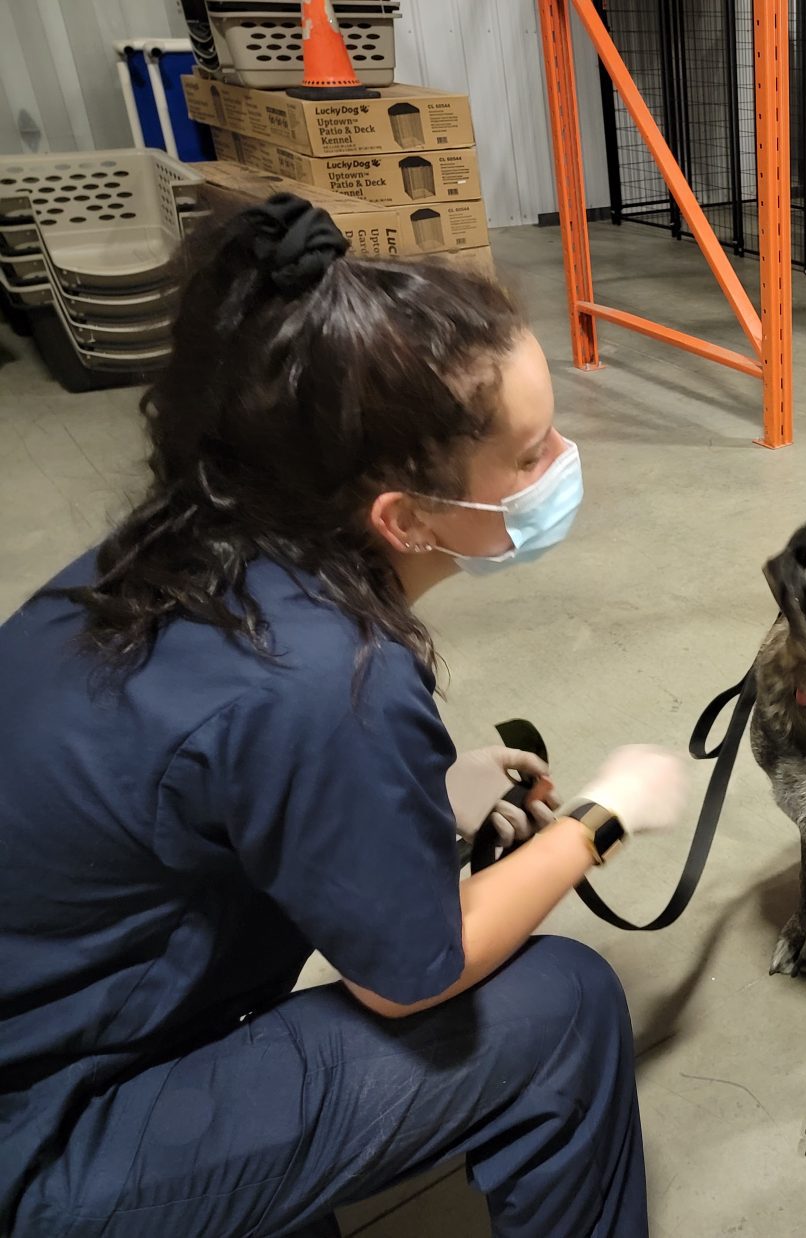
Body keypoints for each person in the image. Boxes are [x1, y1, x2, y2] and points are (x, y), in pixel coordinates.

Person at [0, 196, 687, 1238]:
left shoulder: (185, 545)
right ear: (403, 516)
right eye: (532, 452)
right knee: (561, 1006)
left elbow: (220, 782)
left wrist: (428, 803)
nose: (561, 465)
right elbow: (412, 979)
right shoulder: (327, 676)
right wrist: (604, 817)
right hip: (40, 1141)